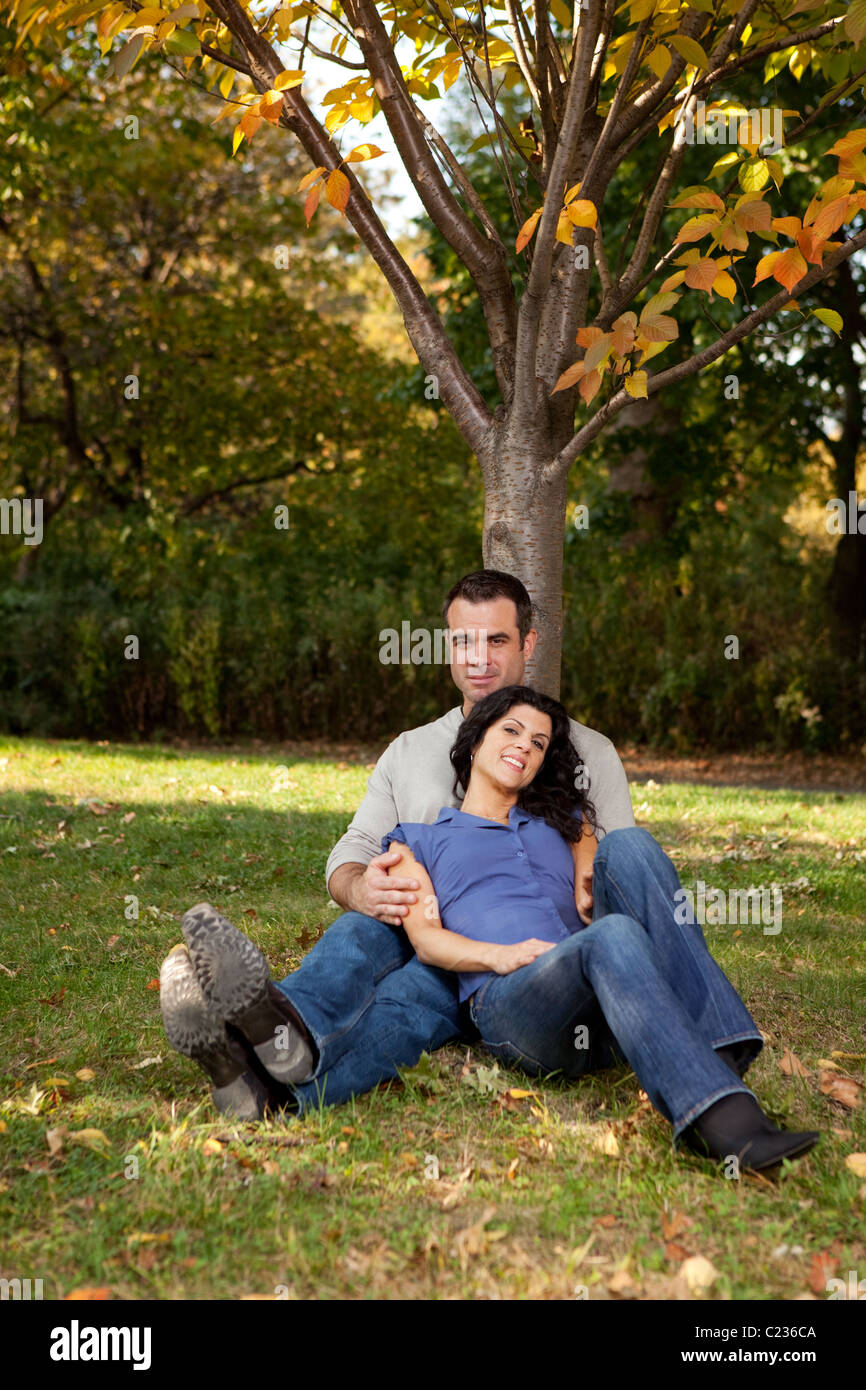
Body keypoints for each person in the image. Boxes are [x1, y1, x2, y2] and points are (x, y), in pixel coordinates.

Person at [161, 684, 819, 1172]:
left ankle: (718, 1045)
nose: (524, 748)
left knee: (634, 849)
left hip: (603, 1000)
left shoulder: (563, 828)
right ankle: (724, 1123)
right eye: (510, 731)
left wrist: (592, 851)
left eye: (538, 744)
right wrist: (499, 957)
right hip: (514, 1004)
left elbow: (604, 849)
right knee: (443, 982)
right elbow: (423, 941)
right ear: (475, 741)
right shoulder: (418, 838)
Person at [160, 569, 637, 1116]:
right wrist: (363, 889)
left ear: (529, 644)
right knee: (360, 932)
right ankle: (281, 1031)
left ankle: (259, 1074)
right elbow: (353, 849)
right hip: (416, 926)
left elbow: (620, 865)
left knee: (407, 1005)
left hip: (515, 964)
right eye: (463, 641)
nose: (478, 658)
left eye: (497, 640)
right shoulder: (409, 751)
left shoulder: (586, 751)